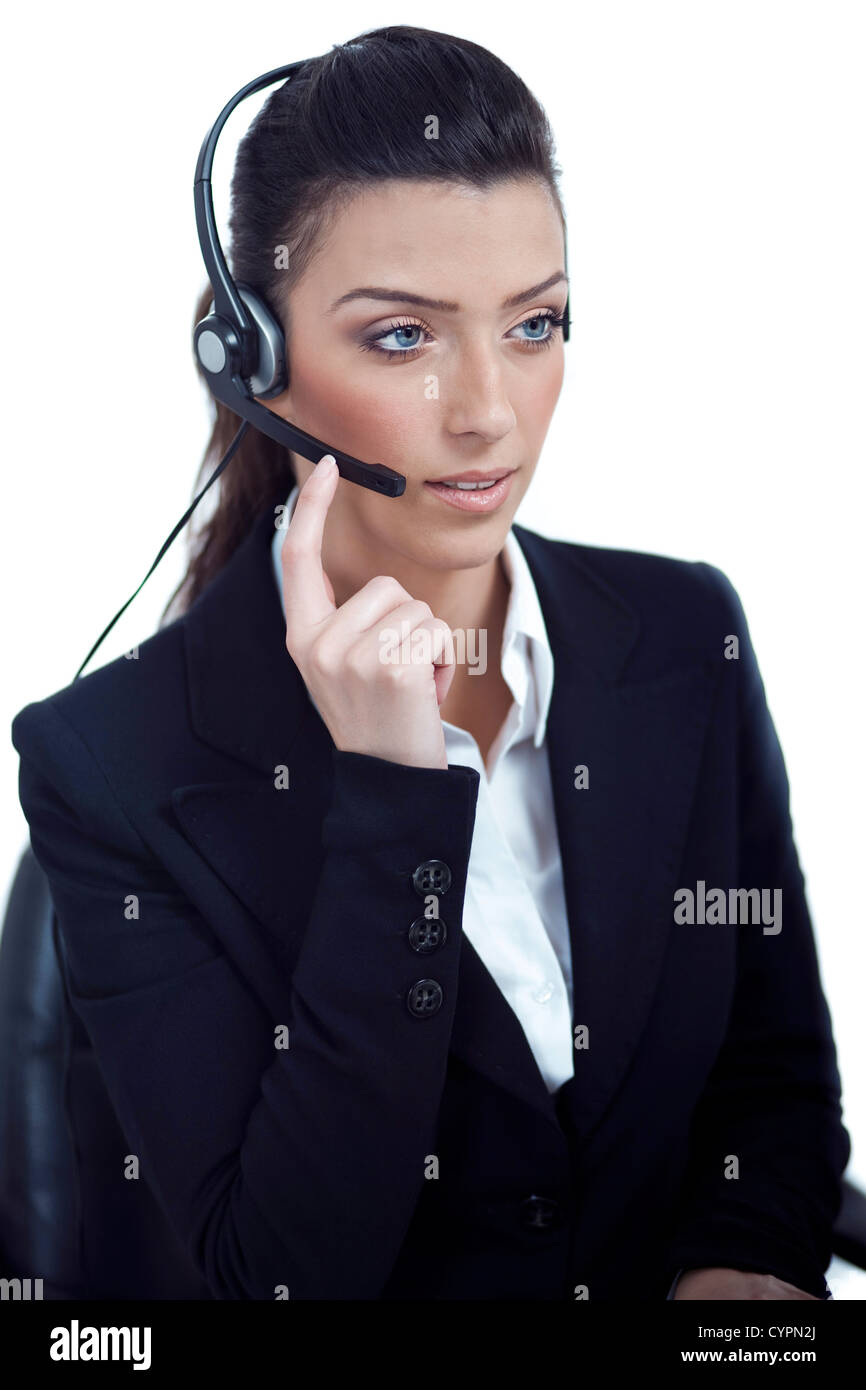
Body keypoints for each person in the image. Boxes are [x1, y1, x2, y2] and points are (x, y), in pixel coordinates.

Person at [10, 24, 848, 1301]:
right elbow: (282, 1275)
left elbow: (769, 1077)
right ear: (255, 364)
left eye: (535, 324)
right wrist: (394, 793)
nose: (489, 412)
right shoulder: (113, 766)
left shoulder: (680, 639)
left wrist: (745, 1273)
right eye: (403, 337)